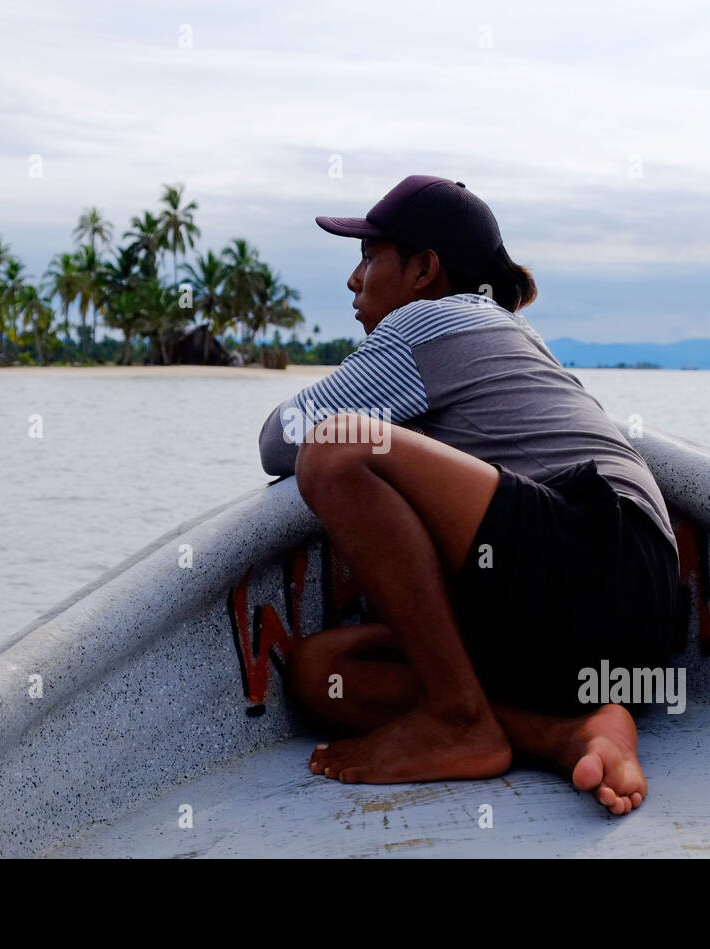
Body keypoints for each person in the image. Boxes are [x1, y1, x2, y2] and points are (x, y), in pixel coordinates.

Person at [258, 175, 680, 816]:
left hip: (598, 553)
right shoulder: (512, 331)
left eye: (369, 256)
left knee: (334, 448)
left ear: (425, 269)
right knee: (323, 673)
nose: (354, 280)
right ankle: (573, 732)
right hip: (624, 619)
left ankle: (456, 718)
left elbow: (280, 440)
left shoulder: (427, 321)